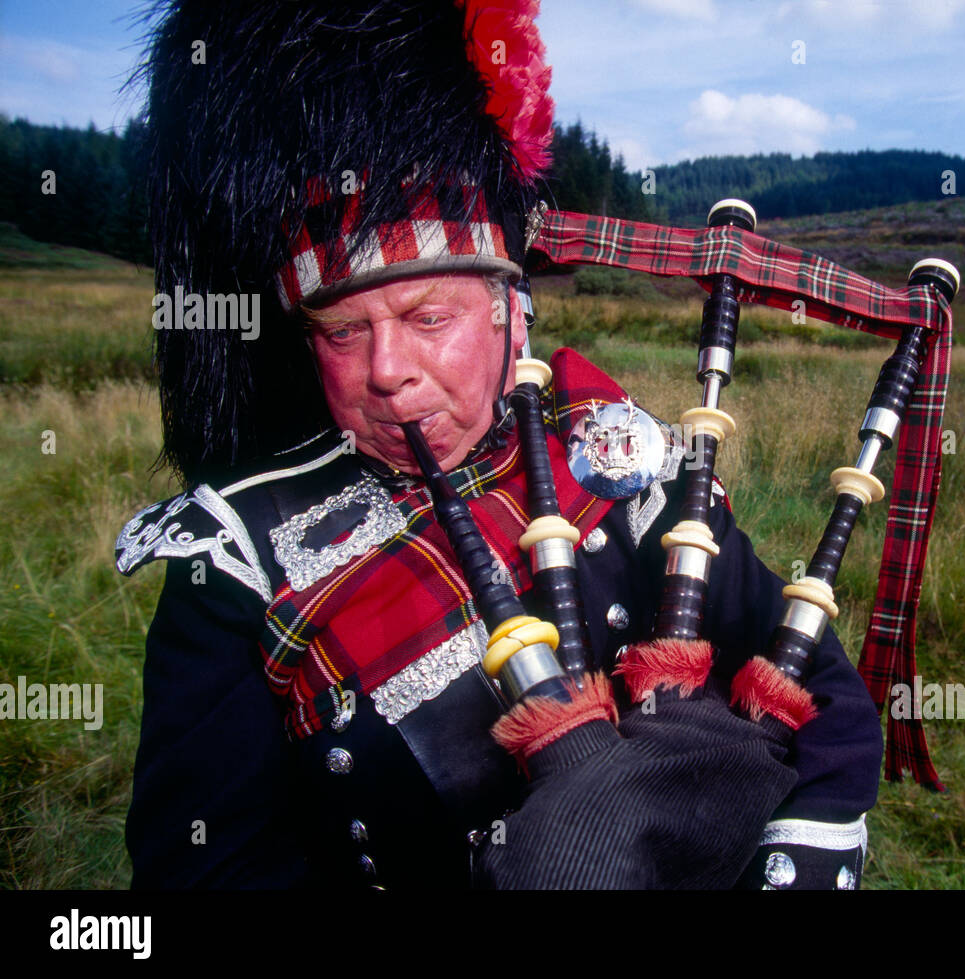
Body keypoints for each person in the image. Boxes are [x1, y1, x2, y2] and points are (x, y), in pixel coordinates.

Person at [115, 0, 883, 889]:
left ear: (504, 309)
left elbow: (815, 684)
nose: (387, 370)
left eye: (426, 315)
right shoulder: (240, 560)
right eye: (342, 332)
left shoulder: (612, 454)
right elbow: (204, 865)